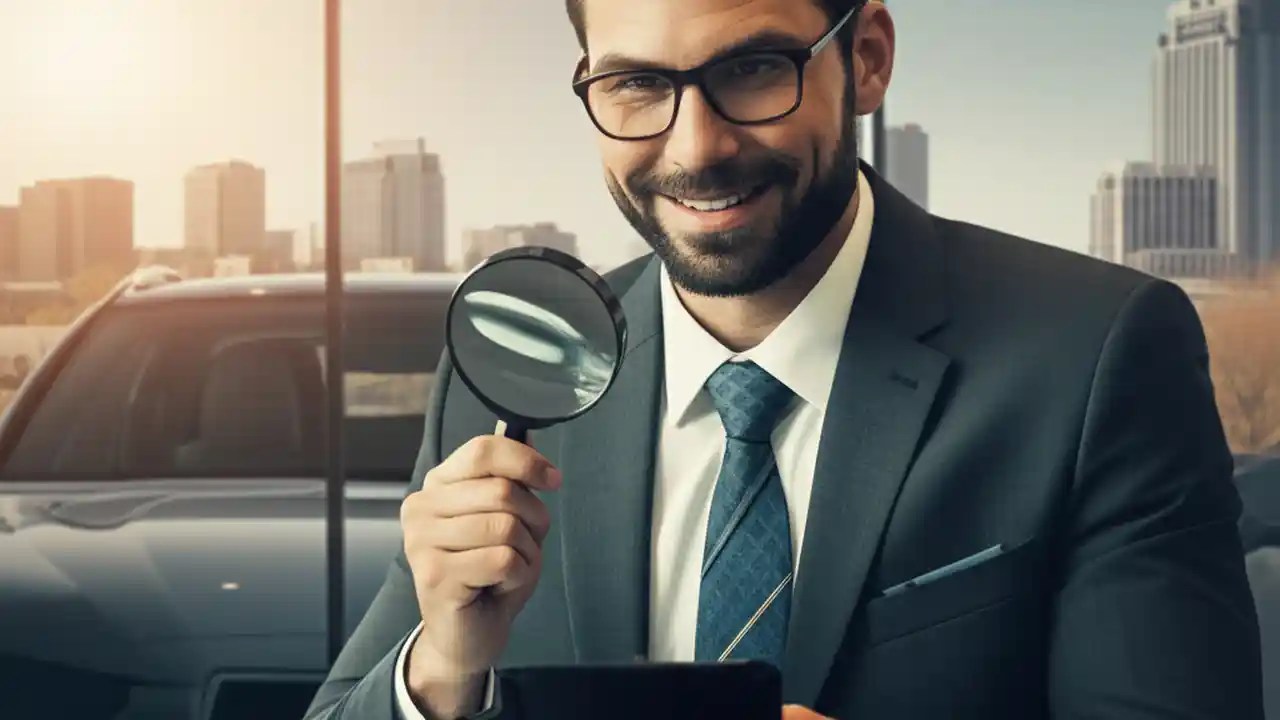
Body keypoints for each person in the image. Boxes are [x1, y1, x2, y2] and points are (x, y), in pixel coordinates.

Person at [306, 0, 1264, 717]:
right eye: (637, 84)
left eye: (755, 69)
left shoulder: (1095, 355)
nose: (696, 147)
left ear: (870, 58)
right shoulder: (519, 384)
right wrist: (440, 669)